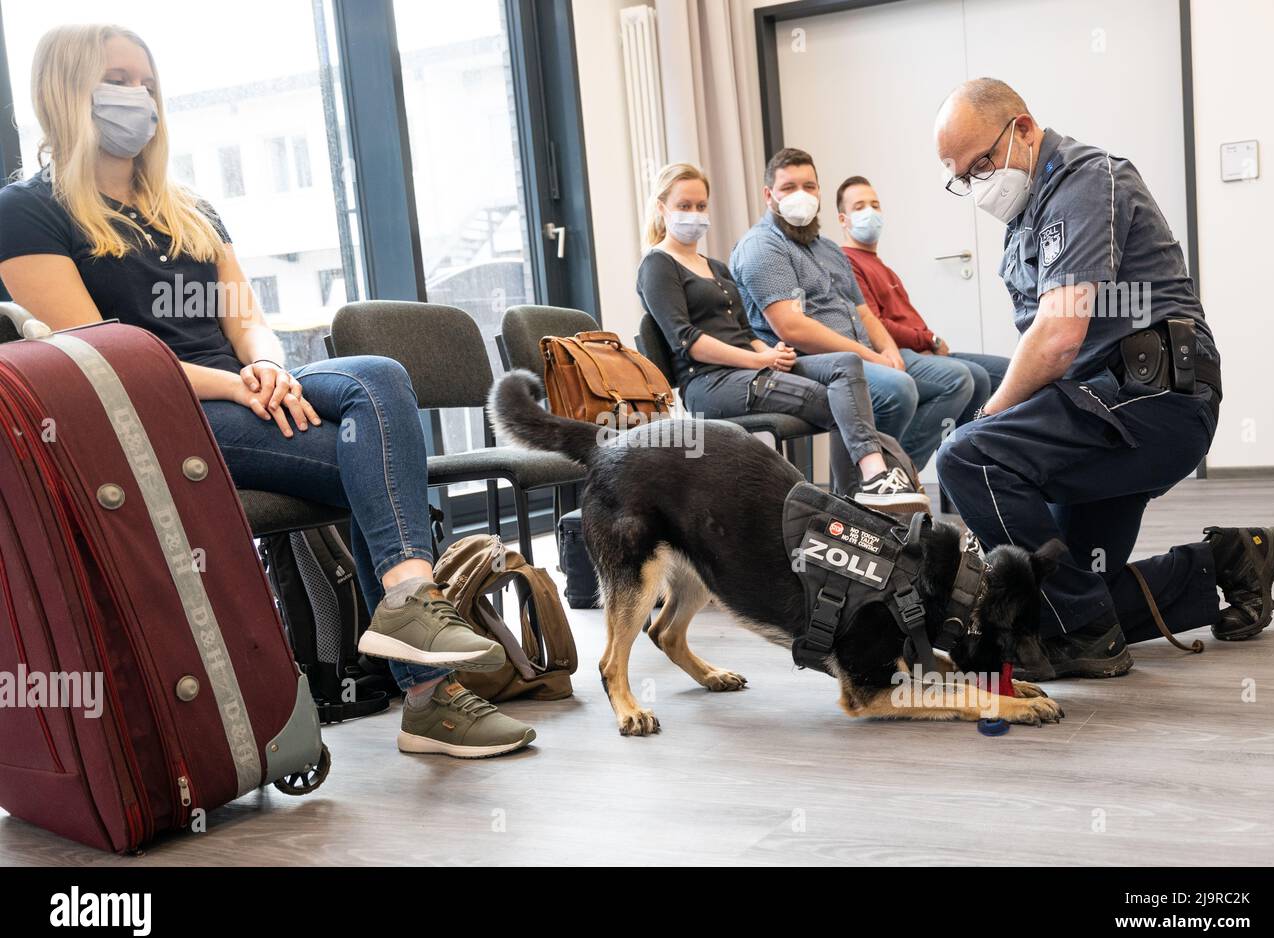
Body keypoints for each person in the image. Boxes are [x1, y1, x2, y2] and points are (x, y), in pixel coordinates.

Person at [0, 23, 536, 758]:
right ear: (64, 91)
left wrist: (267, 368)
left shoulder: (185, 207)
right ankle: (430, 697)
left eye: (147, 84)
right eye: (117, 81)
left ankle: (411, 601)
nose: (139, 98)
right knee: (375, 465)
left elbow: (247, 321)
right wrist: (234, 382)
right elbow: (100, 355)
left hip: (241, 394)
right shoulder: (28, 211)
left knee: (377, 380)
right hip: (158, 416)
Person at [932, 77, 1274, 681]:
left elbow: (1059, 335)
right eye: (962, 177)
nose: (977, 185)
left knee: (965, 457)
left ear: (1022, 128)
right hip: (1103, 407)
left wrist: (992, 420)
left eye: (982, 164)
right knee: (1075, 584)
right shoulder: (1024, 223)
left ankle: (1082, 634)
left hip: (1153, 398)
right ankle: (1230, 563)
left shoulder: (1085, 180)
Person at [636, 163, 927, 511]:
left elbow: (744, 333)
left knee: (846, 365)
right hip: (710, 382)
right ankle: (862, 494)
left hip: (752, 367)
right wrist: (759, 360)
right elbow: (686, 340)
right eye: (684, 206)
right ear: (661, 208)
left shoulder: (716, 267)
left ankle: (866, 487)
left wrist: (771, 351)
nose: (694, 214)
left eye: (701, 206)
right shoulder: (657, 265)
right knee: (838, 400)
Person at [729, 147, 974, 471]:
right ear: (768, 194)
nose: (801, 195)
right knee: (897, 390)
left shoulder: (827, 247)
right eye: (789, 187)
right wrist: (871, 357)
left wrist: (889, 350)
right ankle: (860, 492)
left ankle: (899, 475)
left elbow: (863, 312)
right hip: (809, 362)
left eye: (809, 186)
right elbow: (792, 328)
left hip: (864, 353)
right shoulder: (762, 246)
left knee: (958, 380)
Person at [837, 175, 1009, 428]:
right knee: (974, 378)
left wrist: (929, 342)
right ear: (843, 219)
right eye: (859, 207)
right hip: (903, 353)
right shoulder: (848, 262)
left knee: (1007, 372)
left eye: (875, 205)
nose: (870, 212)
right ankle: (921, 460)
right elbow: (876, 324)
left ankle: (968, 453)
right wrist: (929, 340)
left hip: (922, 349)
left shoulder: (880, 265)